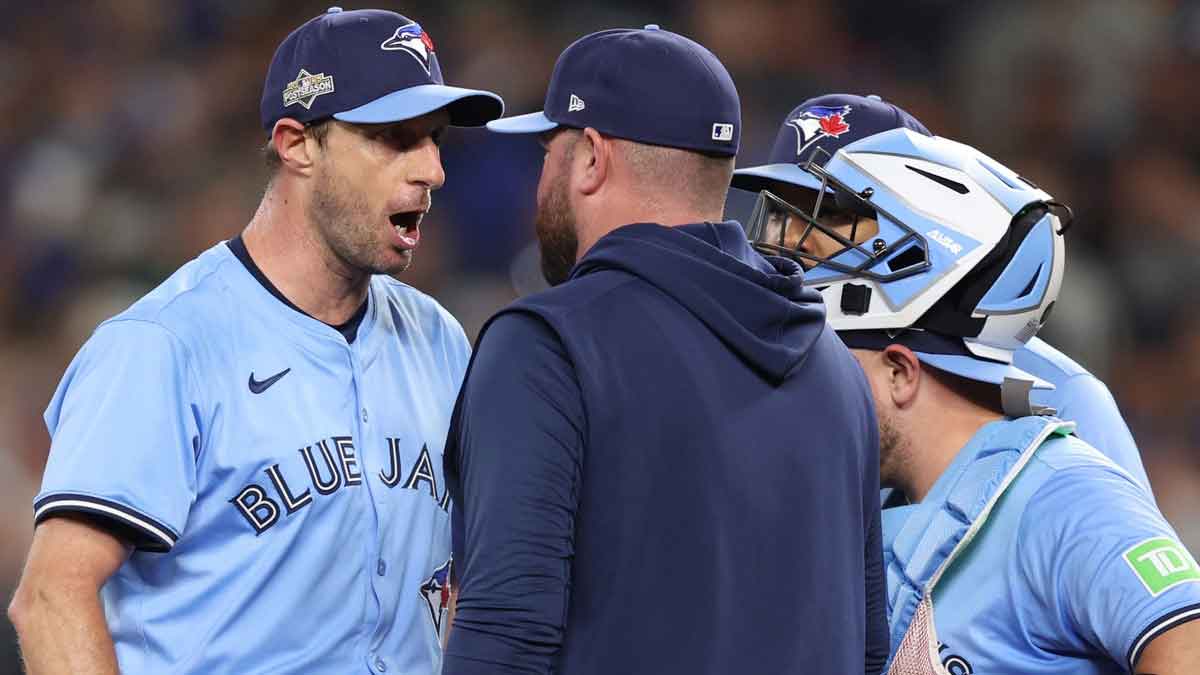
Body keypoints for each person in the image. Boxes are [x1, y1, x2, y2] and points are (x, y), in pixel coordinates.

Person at [7, 8, 502, 674]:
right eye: (394, 138)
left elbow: (459, 582)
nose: (433, 170)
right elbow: (49, 597)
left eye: (434, 139)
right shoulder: (165, 345)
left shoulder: (438, 337)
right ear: (298, 144)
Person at [442, 25, 888, 675]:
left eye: (548, 151)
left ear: (591, 157)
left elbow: (505, 637)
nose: (539, 180)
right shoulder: (835, 369)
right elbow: (868, 647)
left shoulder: (548, 348)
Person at [737, 108, 1200, 672]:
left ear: (902, 372)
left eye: (830, 363)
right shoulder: (869, 503)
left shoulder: (1059, 491)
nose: (812, 388)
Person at [731, 93, 1153, 496]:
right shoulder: (761, 356)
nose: (790, 236)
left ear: (919, 224)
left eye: (832, 212)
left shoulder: (1061, 392)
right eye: (780, 210)